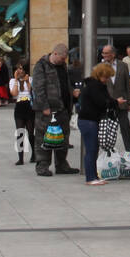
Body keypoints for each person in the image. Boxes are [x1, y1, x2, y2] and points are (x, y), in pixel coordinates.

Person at [31, 43, 77, 178]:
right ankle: (42, 166)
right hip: (46, 111)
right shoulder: (41, 66)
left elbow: (65, 84)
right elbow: (38, 88)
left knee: (63, 138)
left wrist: (72, 93)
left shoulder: (62, 66)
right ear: (55, 54)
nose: (64, 61)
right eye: (62, 59)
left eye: (65, 59)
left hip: (63, 109)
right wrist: (44, 106)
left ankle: (62, 165)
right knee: (43, 138)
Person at [78, 62, 117, 185]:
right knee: (91, 149)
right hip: (88, 120)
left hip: (89, 120)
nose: (107, 80)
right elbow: (102, 102)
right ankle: (90, 178)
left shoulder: (96, 85)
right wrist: (115, 102)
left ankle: (94, 176)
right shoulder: (94, 87)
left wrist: (114, 101)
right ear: (100, 75)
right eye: (106, 77)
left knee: (93, 149)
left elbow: (106, 100)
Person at [101, 44, 130, 151]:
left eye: (106, 53)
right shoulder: (100, 67)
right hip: (108, 103)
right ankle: (108, 152)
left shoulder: (123, 65)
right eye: (103, 53)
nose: (104, 55)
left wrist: (129, 102)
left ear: (113, 54)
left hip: (122, 102)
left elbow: (127, 85)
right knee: (108, 129)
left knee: (125, 128)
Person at [11, 62, 34, 165]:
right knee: (20, 132)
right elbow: (14, 94)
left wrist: (27, 81)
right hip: (19, 106)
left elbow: (32, 92)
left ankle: (34, 154)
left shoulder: (30, 79)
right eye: (18, 68)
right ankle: (20, 158)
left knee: (30, 132)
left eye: (22, 68)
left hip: (29, 106)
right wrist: (16, 80)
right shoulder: (12, 81)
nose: (20, 71)